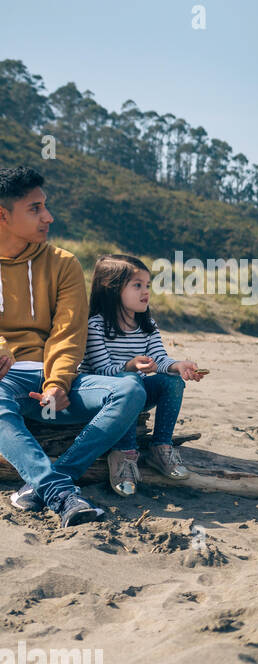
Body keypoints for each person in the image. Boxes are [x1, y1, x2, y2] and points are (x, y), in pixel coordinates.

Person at [0, 166, 145, 526]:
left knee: (130, 389)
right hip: (4, 381)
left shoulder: (63, 264)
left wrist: (57, 382)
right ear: (3, 215)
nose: (48, 217)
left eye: (45, 206)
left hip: (56, 382)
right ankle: (63, 495)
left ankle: (50, 482)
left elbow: (68, 332)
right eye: (35, 209)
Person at [80, 254, 205, 495]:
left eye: (147, 285)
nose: (145, 291)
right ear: (113, 289)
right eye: (137, 285)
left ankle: (161, 448)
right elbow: (100, 369)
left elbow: (158, 359)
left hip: (135, 391)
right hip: (103, 397)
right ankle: (124, 454)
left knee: (172, 382)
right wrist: (130, 366)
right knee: (130, 382)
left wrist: (178, 365)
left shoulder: (148, 326)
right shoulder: (95, 326)